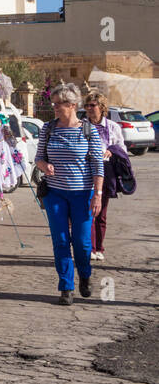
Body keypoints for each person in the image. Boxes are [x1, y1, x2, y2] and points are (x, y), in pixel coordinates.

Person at [35, 83, 103, 305]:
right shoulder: (48, 128)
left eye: (59, 104)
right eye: (53, 103)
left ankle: (84, 274)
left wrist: (98, 194)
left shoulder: (88, 129)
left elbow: (97, 165)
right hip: (55, 193)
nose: (54, 107)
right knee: (61, 240)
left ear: (72, 105)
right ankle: (66, 287)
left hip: (82, 194)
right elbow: (38, 157)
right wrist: (44, 166)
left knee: (82, 243)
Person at [83, 91, 123, 261]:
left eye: (93, 105)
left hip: (106, 173)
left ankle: (99, 248)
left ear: (102, 107)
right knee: (89, 213)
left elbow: (122, 149)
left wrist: (111, 151)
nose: (89, 109)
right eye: (87, 106)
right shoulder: (82, 125)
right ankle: (90, 248)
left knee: (101, 213)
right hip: (86, 173)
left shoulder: (113, 127)